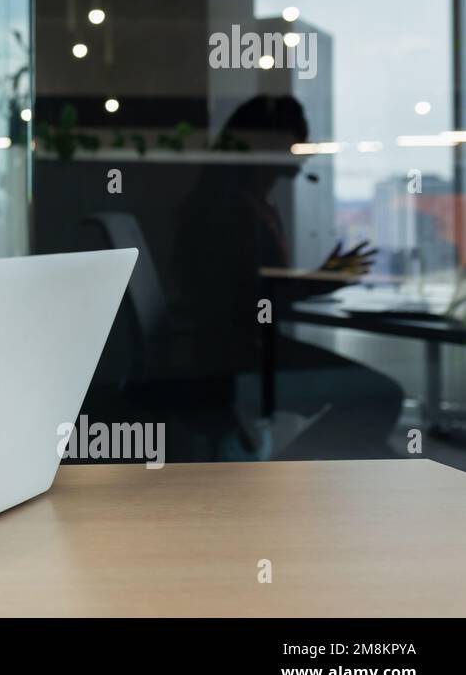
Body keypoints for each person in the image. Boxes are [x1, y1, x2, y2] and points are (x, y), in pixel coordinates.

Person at [170, 95, 401, 460]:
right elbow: (243, 303)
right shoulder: (233, 212)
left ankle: (288, 480)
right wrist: (317, 281)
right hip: (239, 363)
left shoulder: (245, 204)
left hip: (243, 355)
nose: (305, 152)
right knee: (380, 399)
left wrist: (317, 279)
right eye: (297, 142)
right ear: (268, 146)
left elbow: (252, 289)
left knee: (377, 419)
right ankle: (287, 479)